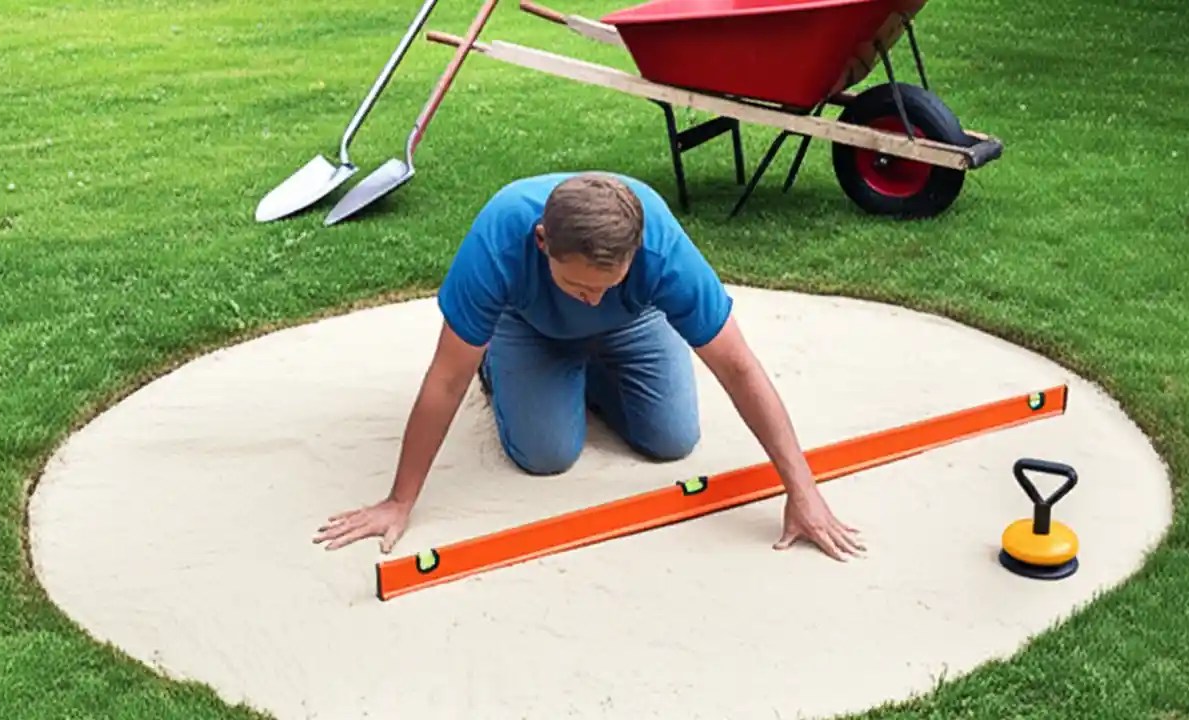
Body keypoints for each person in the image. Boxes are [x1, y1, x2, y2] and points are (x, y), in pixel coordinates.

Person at [314, 171, 864, 562]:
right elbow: (445, 378)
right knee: (547, 455)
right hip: (529, 327)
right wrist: (399, 501)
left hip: (634, 325)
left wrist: (803, 490)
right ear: (542, 242)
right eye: (579, 285)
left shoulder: (662, 251)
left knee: (673, 440)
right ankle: (506, 369)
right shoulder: (500, 238)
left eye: (608, 285)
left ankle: (591, 368)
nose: (592, 299)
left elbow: (739, 368)